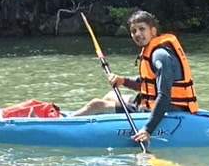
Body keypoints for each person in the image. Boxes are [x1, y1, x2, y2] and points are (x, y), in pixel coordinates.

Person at [70, 9, 198, 144]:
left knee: (96, 104)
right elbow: (146, 84)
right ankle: (97, 122)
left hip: (170, 109)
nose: (137, 34)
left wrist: (147, 130)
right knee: (110, 95)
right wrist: (122, 81)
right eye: (133, 31)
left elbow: (164, 96)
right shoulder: (152, 51)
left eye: (142, 29)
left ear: (153, 31)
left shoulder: (160, 55)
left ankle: (62, 123)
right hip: (152, 103)